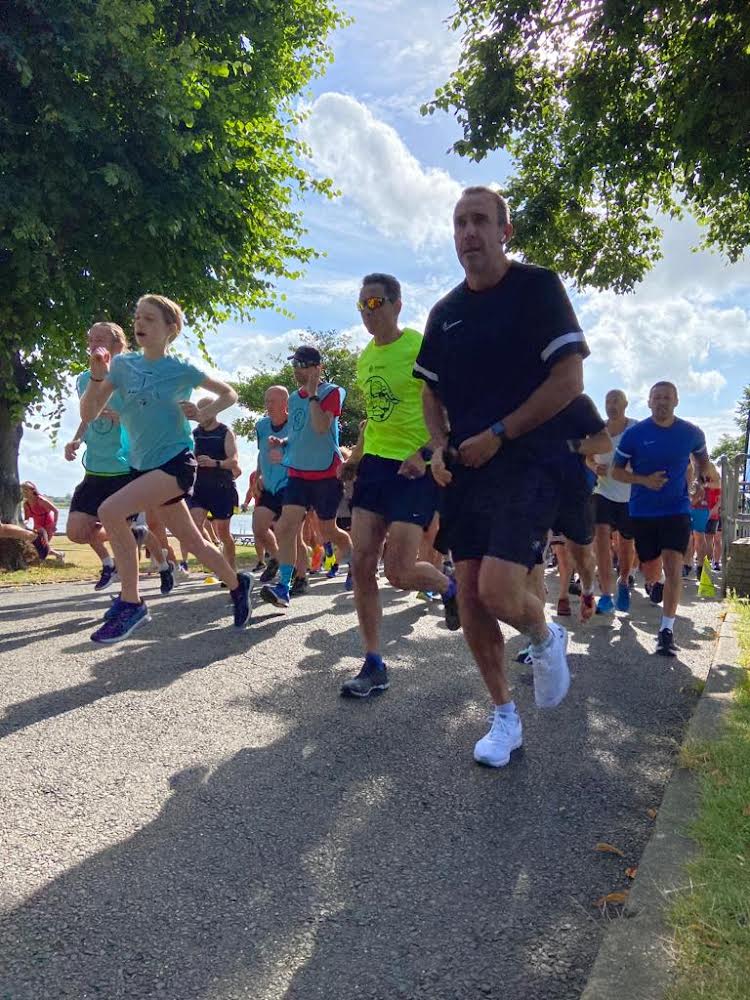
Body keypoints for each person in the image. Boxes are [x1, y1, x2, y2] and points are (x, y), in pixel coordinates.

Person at [414, 185, 588, 768]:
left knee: (496, 589)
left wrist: (502, 434)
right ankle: (504, 717)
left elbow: (569, 381)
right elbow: (430, 392)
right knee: (470, 599)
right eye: (459, 223)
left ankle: (544, 636)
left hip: (529, 459)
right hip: (466, 471)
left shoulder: (538, 288)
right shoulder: (445, 313)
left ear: (503, 231)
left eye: (480, 221)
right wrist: (440, 447)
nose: (468, 232)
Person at [80, 294, 252, 643]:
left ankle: (132, 603)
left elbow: (229, 393)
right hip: (142, 466)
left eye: (150, 319)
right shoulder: (123, 366)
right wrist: (98, 379)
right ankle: (238, 583)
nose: (140, 324)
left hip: (176, 462)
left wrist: (205, 412)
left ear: (171, 329)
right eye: (137, 318)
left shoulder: (181, 368)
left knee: (110, 511)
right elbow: (88, 414)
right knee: (195, 543)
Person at [337, 273, 460, 698]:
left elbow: (448, 417)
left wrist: (425, 454)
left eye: (375, 304)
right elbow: (374, 417)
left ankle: (448, 586)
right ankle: (373, 663)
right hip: (375, 467)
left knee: (400, 571)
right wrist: (355, 459)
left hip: (416, 470)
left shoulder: (418, 349)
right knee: (361, 564)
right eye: (361, 305)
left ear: (396, 305)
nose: (368, 313)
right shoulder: (366, 358)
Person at [65, 321, 168, 590]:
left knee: (119, 530)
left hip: (125, 469)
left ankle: (134, 593)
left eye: (100, 338)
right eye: (90, 339)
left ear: (117, 345)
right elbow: (87, 415)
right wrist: (76, 438)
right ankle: (134, 537)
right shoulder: (84, 379)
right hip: (96, 468)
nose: (93, 343)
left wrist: (122, 417)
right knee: (76, 532)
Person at [612, 381, 711, 656]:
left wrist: (702, 478)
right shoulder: (635, 434)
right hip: (643, 511)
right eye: (656, 397)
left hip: (677, 509)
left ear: (677, 401)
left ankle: (666, 631)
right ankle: (640, 582)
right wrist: (643, 480)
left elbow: (703, 460)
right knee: (651, 567)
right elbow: (616, 472)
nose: (662, 402)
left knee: (674, 567)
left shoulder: (691, 433)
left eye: (667, 397)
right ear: (648, 402)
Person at [259, 345, 351, 609]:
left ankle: (355, 563)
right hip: (299, 473)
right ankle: (284, 587)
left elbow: (322, 427)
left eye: (301, 364)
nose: (296, 369)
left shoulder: (332, 392)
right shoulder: (295, 399)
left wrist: (313, 396)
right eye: (294, 364)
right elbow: (300, 432)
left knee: (328, 530)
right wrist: (284, 442)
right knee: (285, 526)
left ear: (316, 367)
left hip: (325, 472)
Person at [591, 389, 638, 613]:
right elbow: (587, 456)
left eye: (616, 400)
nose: (612, 405)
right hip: (602, 491)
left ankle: (624, 580)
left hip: (629, 494)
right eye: (608, 401)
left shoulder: (635, 428)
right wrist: (593, 466)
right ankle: (607, 595)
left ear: (625, 404)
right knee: (601, 538)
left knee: (625, 544)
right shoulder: (598, 430)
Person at [187, 397, 241, 572]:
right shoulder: (195, 433)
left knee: (223, 533)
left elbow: (233, 461)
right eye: (199, 410)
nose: (201, 413)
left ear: (214, 410)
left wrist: (214, 463)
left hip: (221, 487)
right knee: (194, 527)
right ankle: (216, 558)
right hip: (200, 487)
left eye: (205, 410)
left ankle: (231, 570)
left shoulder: (225, 432)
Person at [253, 386, 291, 585]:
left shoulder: (295, 424)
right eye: (266, 400)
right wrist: (257, 478)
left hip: (290, 484)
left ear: (285, 403)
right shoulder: (261, 426)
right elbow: (261, 454)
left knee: (288, 532)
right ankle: (276, 558)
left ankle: (295, 576)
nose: (268, 405)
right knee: (259, 528)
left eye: (273, 401)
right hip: (268, 486)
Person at [20, 483, 66, 562]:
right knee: (40, 546)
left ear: (32, 490)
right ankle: (59, 554)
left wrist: (54, 525)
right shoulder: (26, 504)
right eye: (22, 490)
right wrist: (23, 523)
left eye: (26, 490)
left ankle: (58, 555)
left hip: (48, 524)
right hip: (38, 525)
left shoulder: (41, 500)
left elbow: (56, 511)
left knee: (43, 546)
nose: (24, 492)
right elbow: (27, 518)